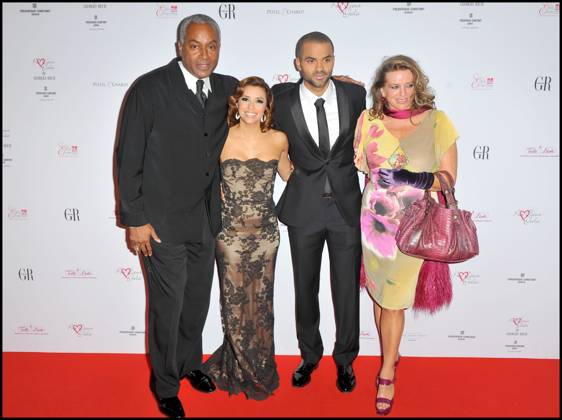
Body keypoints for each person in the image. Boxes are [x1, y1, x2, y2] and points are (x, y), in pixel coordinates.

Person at [116, 14, 238, 418]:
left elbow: (270, 102)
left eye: (212, 46)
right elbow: (128, 157)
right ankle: (165, 384)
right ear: (179, 47)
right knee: (167, 307)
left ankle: (188, 365)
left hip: (206, 219)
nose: (204, 55)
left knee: (196, 301)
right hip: (160, 222)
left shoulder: (228, 89)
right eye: (195, 45)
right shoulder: (149, 89)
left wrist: (332, 83)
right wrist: (135, 219)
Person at [353, 54, 459, 415]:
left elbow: (448, 178)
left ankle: (386, 373)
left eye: (408, 85)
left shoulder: (436, 121)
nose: (402, 93)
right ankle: (391, 352)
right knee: (381, 295)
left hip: (414, 223)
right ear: (381, 90)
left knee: (394, 301)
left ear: (418, 86)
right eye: (394, 86)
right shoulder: (368, 120)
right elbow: (364, 169)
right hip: (375, 224)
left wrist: (412, 178)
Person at [272, 32, 366, 393]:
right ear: (297, 63)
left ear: (334, 60)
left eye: (327, 59)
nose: (320, 67)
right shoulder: (280, 99)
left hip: (346, 209)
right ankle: (309, 355)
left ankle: (346, 360)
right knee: (305, 288)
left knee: (347, 290)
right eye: (310, 60)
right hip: (303, 209)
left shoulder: (354, 95)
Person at [202, 76, 292, 400]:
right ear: (235, 103)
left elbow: (290, 176)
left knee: (261, 304)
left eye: (259, 101)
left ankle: (261, 367)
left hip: (266, 234)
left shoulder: (278, 139)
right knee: (235, 305)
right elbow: (202, 176)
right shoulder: (221, 136)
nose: (251, 107)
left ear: (267, 106)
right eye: (245, 100)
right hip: (229, 234)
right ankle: (239, 367)